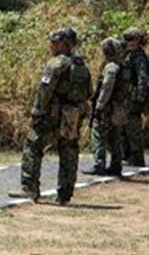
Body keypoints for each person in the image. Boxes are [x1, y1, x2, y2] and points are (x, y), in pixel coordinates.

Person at [9, 28, 92, 205]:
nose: (52, 45)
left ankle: (29, 187)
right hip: (72, 116)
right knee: (69, 151)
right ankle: (65, 194)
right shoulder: (81, 66)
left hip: (51, 115)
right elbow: (88, 92)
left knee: (33, 145)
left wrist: (36, 112)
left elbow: (44, 92)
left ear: (64, 43)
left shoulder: (55, 64)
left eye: (55, 42)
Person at [83, 37, 131, 176]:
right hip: (119, 105)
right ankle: (116, 165)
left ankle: (99, 164)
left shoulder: (111, 67)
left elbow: (106, 88)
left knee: (98, 134)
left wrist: (99, 106)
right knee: (115, 136)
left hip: (108, 106)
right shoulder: (124, 66)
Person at [122, 27, 149, 167]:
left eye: (131, 39)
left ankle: (137, 157)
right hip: (128, 97)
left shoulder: (139, 57)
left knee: (134, 128)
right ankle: (129, 155)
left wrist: (140, 97)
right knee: (126, 127)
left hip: (134, 97)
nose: (128, 42)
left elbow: (142, 78)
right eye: (126, 39)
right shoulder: (129, 55)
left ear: (138, 41)